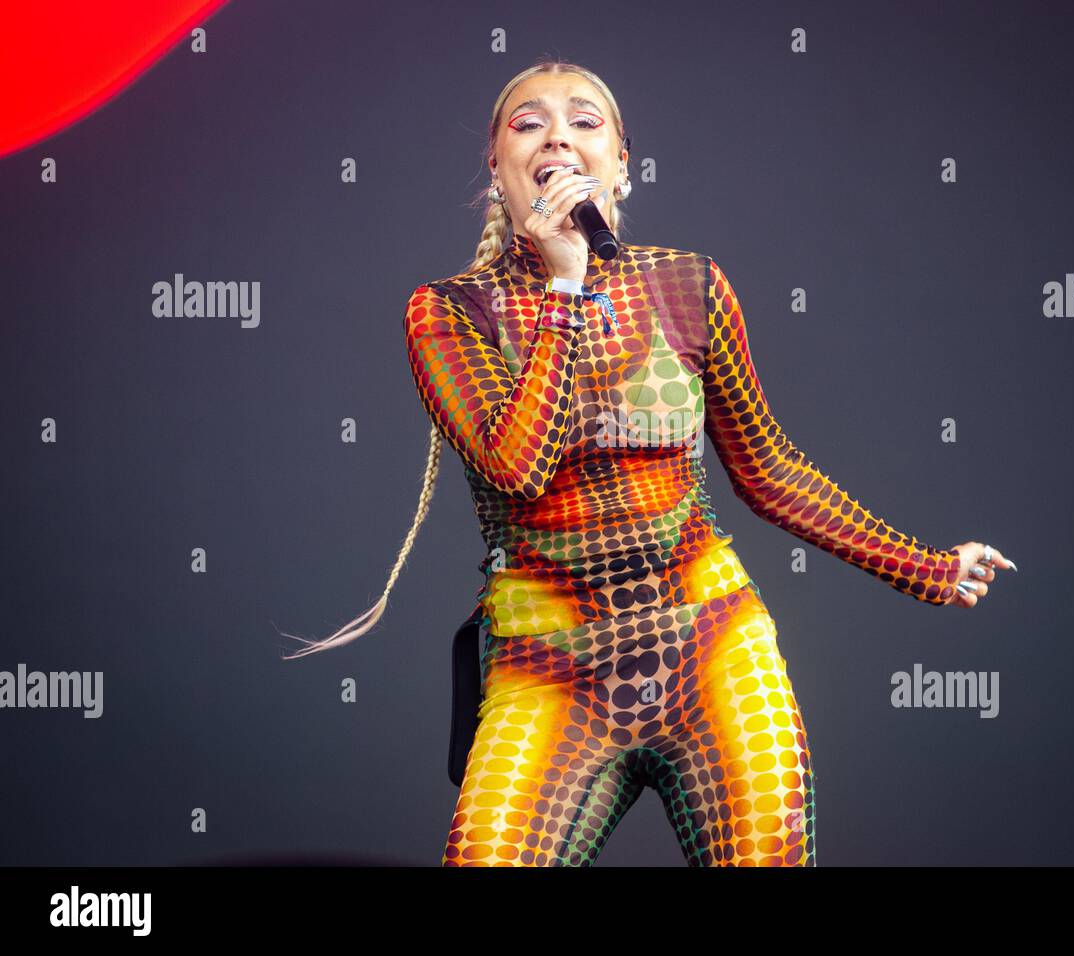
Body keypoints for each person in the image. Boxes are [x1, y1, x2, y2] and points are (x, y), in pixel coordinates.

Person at [281, 59, 1017, 867]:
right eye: (528, 122)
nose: (557, 133)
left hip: (708, 640)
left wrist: (926, 568)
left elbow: (768, 470)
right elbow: (515, 465)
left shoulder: (689, 283)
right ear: (497, 168)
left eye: (585, 121)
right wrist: (563, 286)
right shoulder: (450, 310)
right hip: (547, 662)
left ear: (621, 165)